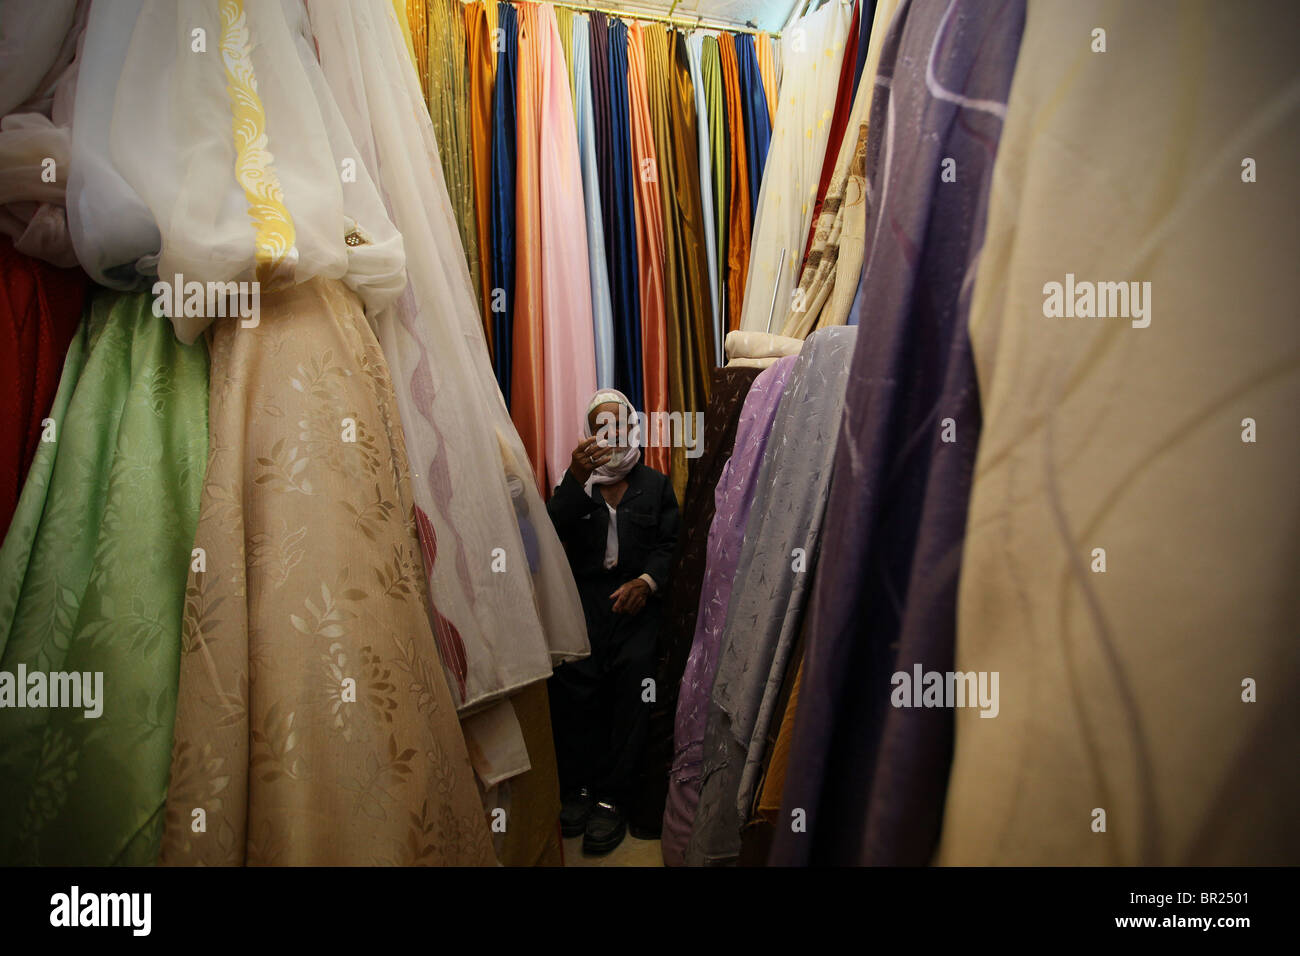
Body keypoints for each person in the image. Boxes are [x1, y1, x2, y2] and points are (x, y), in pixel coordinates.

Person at [546, 389, 680, 855]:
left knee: (634, 683)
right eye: (599, 425)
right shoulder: (577, 482)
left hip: (637, 604)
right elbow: (549, 534)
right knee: (573, 685)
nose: (610, 432)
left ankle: (611, 797)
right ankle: (577, 789)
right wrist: (573, 478)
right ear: (590, 433)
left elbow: (671, 546)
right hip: (584, 602)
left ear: (630, 428)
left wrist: (646, 582)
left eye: (617, 424)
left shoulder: (656, 484)